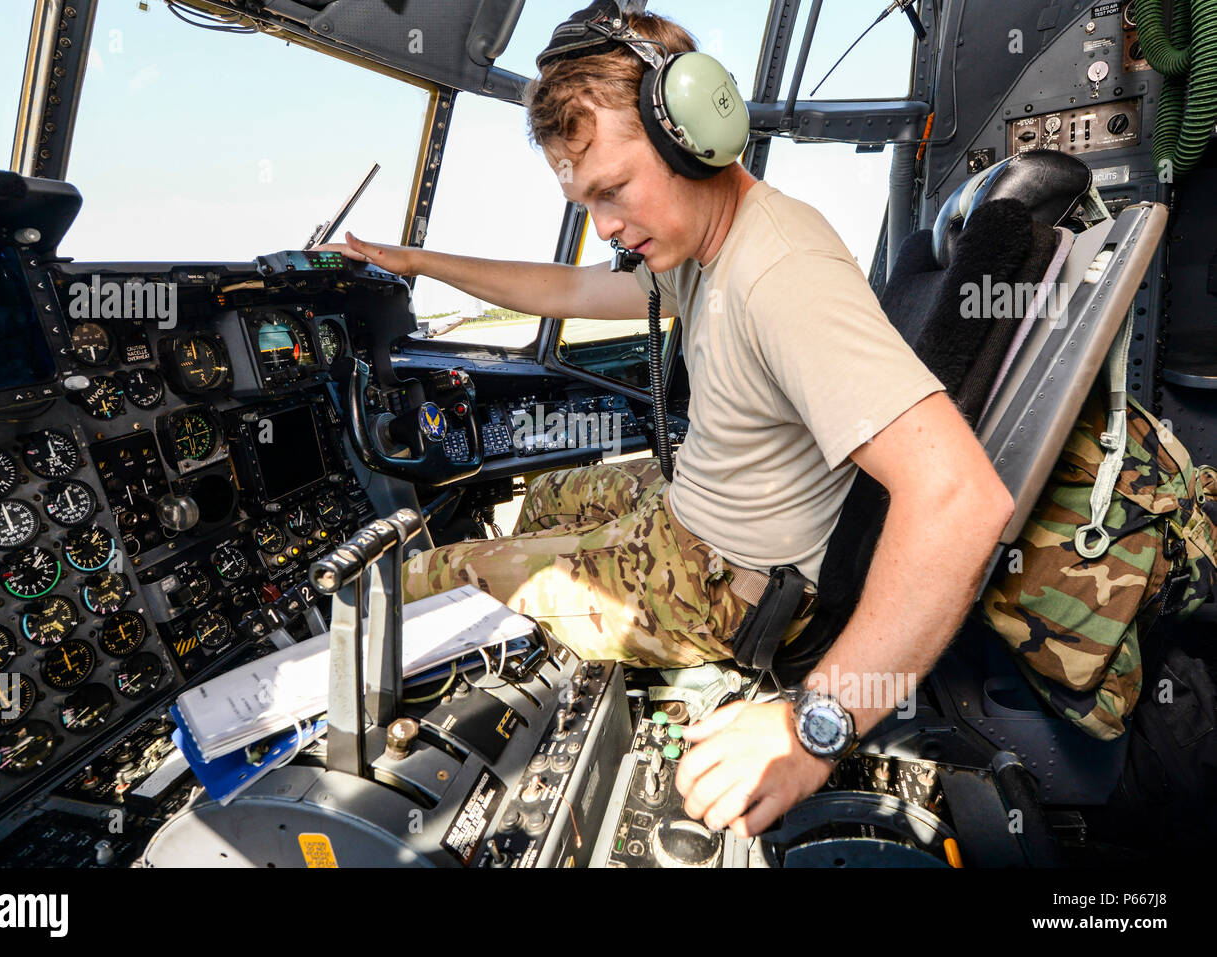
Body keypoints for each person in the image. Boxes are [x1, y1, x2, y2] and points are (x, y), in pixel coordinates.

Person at [317, 4, 1013, 837]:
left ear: (695, 135)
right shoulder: (711, 245)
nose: (604, 225)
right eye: (585, 199)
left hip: (723, 581)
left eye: (613, 190)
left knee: (428, 578)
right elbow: (568, 290)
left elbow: (961, 499)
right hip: (692, 503)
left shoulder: (778, 271)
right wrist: (417, 261)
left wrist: (814, 726)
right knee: (545, 498)